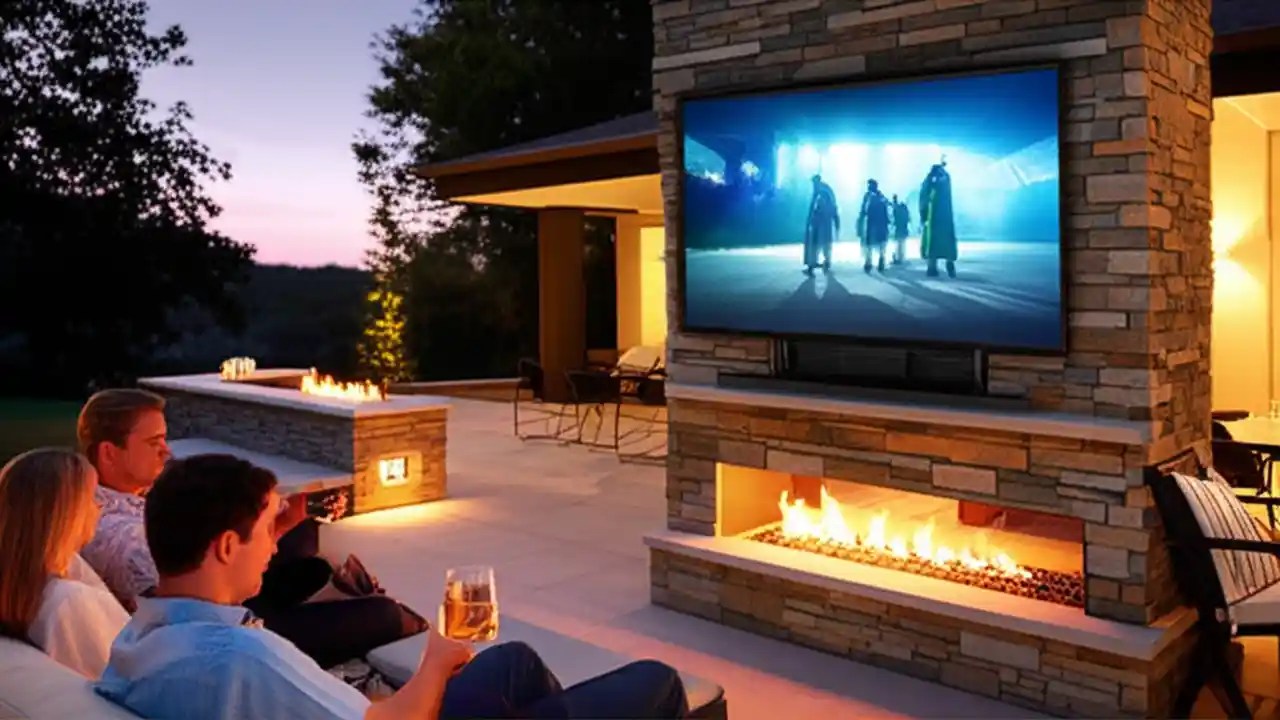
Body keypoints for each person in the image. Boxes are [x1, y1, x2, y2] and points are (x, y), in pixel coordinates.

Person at [95, 454, 690, 720]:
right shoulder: (244, 658)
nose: (275, 544)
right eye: (264, 530)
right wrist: (435, 656)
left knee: (514, 663)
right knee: (657, 682)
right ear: (225, 546)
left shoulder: (141, 636)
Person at [76, 388, 423, 670]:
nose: (166, 451)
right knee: (383, 615)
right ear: (109, 453)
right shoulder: (122, 537)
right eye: (154, 443)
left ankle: (345, 592)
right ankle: (403, 622)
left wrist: (281, 521)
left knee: (310, 557)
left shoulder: (137, 496)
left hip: (218, 600)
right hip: (223, 628)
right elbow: (201, 591)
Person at [0, 448, 129, 678]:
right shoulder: (68, 602)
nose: (98, 508)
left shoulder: (30, 583)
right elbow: (120, 678)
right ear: (65, 513)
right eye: (91, 499)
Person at [919, 159, 958, 278]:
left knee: (933, 244)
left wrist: (923, 215)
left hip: (933, 218)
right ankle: (948, 264)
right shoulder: (945, 181)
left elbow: (923, 198)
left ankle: (932, 268)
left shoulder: (930, 182)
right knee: (946, 242)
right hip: (944, 218)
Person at [804, 173, 840, 275]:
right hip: (823, 222)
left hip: (820, 223)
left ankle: (813, 265)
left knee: (817, 244)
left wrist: (811, 219)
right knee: (824, 244)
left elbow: (817, 207)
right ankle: (825, 262)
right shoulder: (825, 190)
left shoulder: (821, 192)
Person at [857, 178, 891, 274]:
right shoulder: (878, 197)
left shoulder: (872, 197)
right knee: (876, 244)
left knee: (873, 244)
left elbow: (864, 210)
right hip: (876, 223)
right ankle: (874, 261)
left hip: (874, 223)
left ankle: (872, 262)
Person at [891, 193, 911, 266]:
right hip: (903, 228)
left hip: (899, 228)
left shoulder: (897, 207)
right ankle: (900, 257)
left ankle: (898, 258)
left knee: (899, 243)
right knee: (901, 243)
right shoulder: (903, 208)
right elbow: (908, 219)